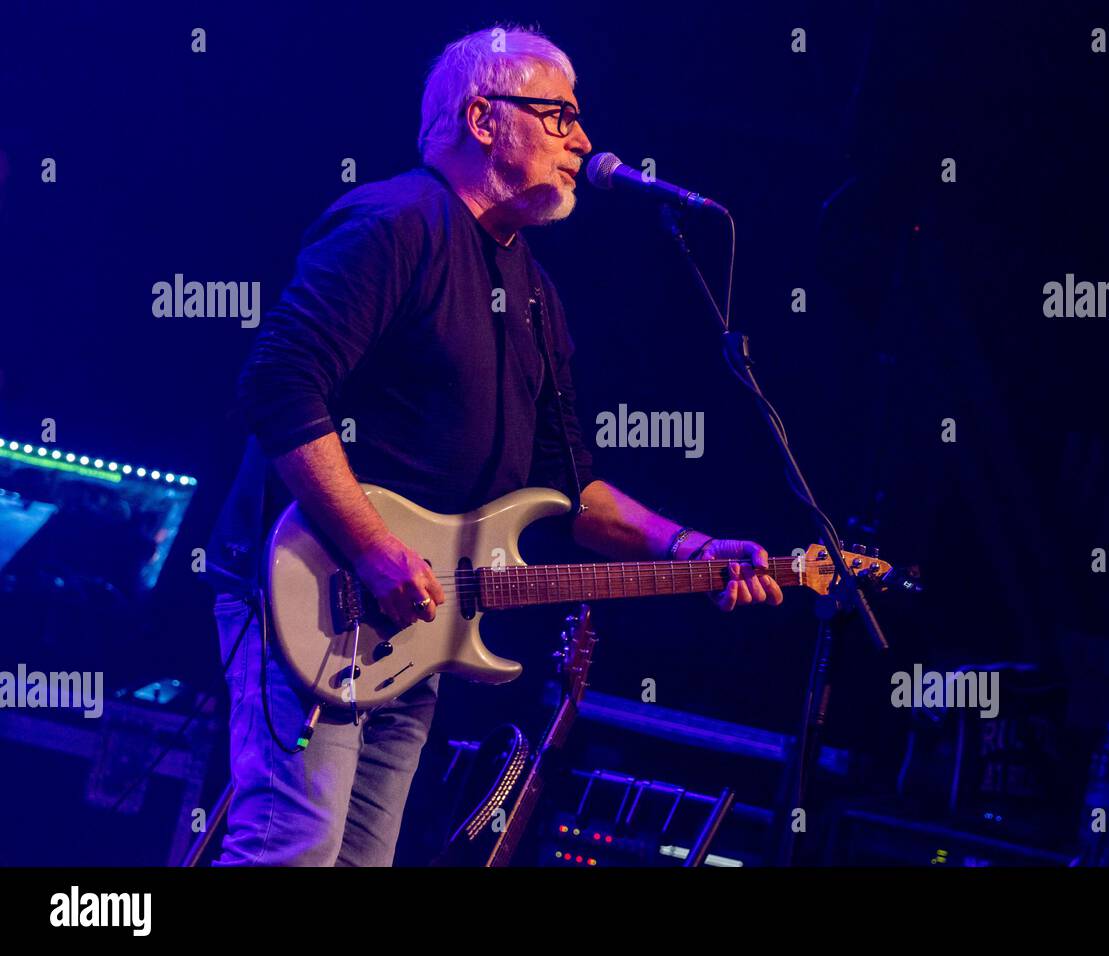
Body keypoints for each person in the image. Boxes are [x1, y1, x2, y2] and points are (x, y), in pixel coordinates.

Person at [205, 24, 782, 867]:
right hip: (307, 585)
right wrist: (369, 546)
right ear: (483, 118)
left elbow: (572, 488)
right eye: (559, 116)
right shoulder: (393, 223)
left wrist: (691, 549)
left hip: (412, 622)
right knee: (292, 848)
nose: (584, 140)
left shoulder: (537, 295)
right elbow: (278, 384)